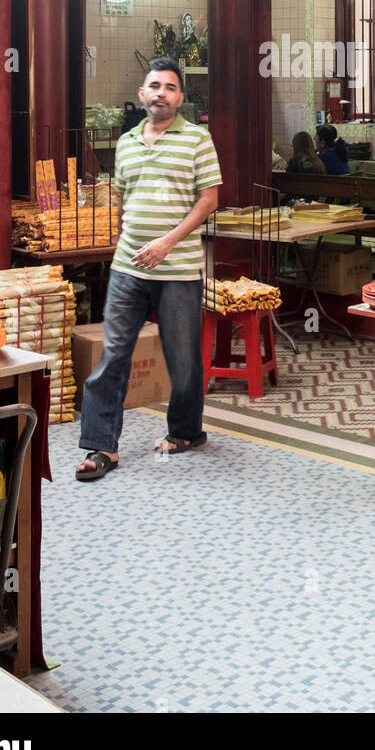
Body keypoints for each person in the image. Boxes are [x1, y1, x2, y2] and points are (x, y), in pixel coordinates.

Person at [76, 56, 221, 481]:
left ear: (180, 97)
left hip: (177, 268)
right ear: (141, 94)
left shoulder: (197, 140)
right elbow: (123, 198)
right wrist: (127, 239)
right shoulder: (126, 143)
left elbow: (209, 200)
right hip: (128, 268)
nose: (161, 93)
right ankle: (101, 446)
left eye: (170, 87)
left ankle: (186, 431)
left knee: (183, 359)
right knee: (114, 354)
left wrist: (167, 242)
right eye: (154, 86)